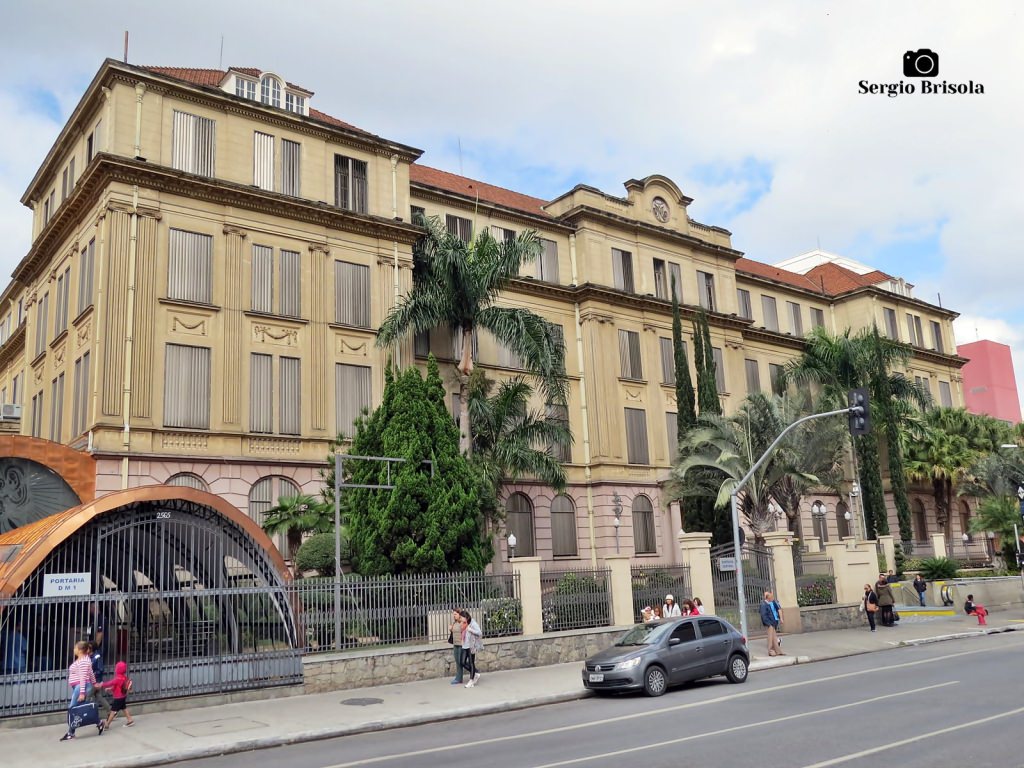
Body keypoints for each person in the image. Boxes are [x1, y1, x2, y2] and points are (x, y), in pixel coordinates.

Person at [61, 641, 103, 741]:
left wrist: (82, 693)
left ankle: (71, 733)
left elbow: (83, 677)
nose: (74, 649)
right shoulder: (84, 659)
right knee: (84, 708)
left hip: (80, 687)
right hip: (80, 687)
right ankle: (99, 723)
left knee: (72, 708)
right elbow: (91, 673)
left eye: (75, 647)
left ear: (80, 650)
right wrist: (94, 683)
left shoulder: (83, 661)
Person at [96, 661, 134, 728]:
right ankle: (130, 720)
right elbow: (117, 686)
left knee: (113, 711)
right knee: (124, 708)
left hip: (118, 698)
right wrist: (110, 689)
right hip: (123, 696)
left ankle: (107, 725)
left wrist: (102, 684)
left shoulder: (117, 678)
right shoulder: (124, 677)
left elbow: (110, 683)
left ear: (117, 669)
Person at [459, 610, 483, 688]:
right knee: (462, 662)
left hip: (471, 646)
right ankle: (475, 673)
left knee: (471, 662)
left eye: (462, 618)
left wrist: (471, 630)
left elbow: (479, 633)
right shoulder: (463, 623)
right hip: (465, 645)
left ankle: (471, 681)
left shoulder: (473, 623)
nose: (461, 620)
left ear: (466, 617)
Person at [759, 591, 784, 656]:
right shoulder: (764, 604)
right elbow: (763, 615)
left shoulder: (768, 603)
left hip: (772, 623)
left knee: (774, 638)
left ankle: (778, 651)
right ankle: (770, 651)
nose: (773, 598)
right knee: (770, 638)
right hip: (769, 623)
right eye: (771, 597)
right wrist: (769, 624)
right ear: (768, 598)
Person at [448, 608, 465, 686]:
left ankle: (459, 678)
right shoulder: (454, 622)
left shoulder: (463, 622)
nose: (454, 616)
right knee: (457, 662)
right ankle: (459, 678)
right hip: (455, 644)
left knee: (460, 662)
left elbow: (464, 631)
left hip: (461, 645)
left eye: (455, 614)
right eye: (453, 614)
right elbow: (455, 631)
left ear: (459, 614)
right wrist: (451, 629)